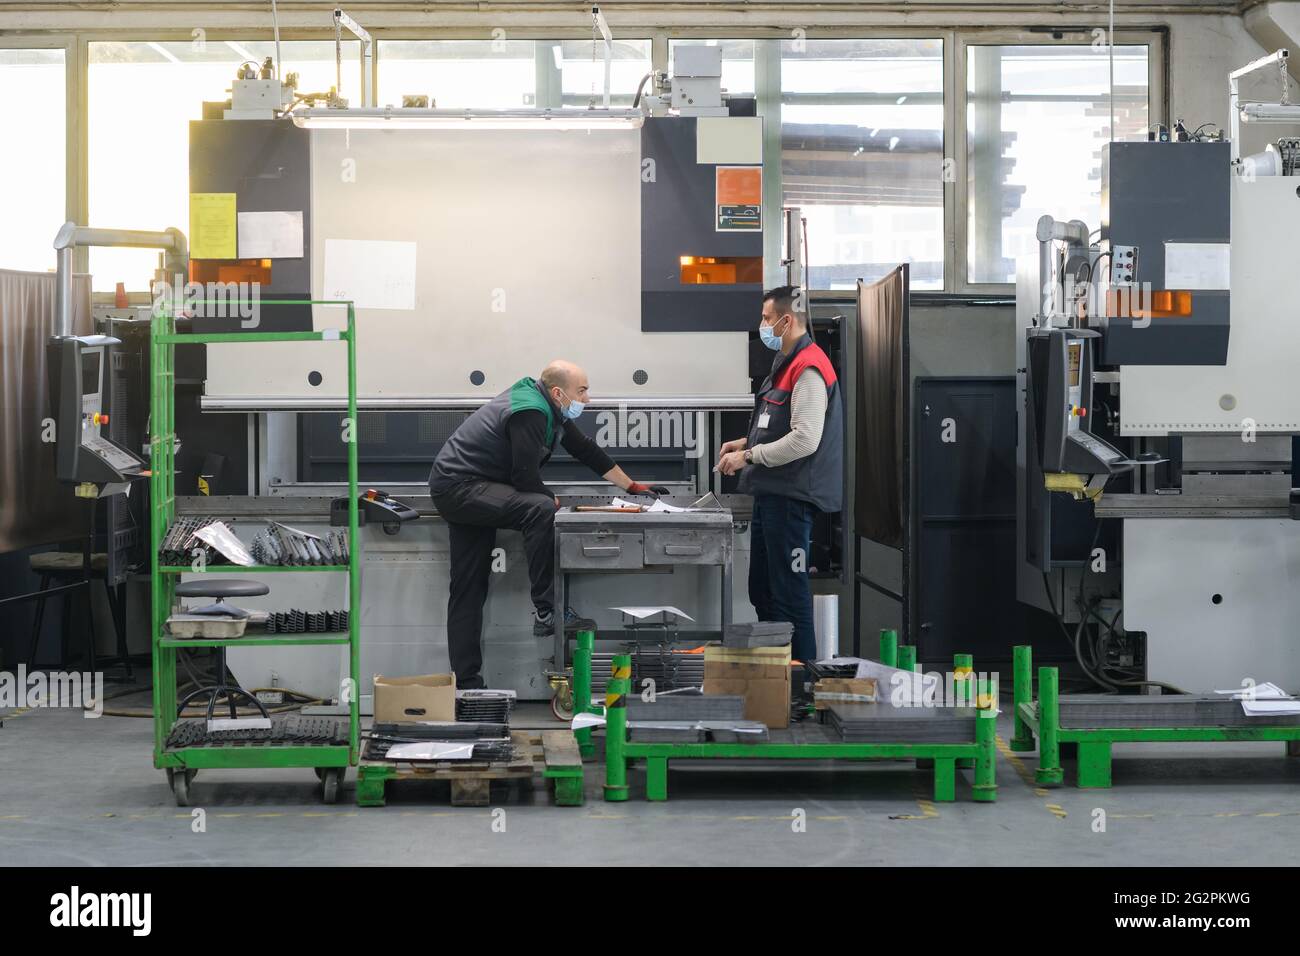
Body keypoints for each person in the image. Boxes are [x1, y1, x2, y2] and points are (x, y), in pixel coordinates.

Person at [429, 360, 668, 688]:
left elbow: (585, 450)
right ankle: (548, 611)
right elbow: (524, 477)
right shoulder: (531, 411)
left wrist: (631, 486)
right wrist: (548, 498)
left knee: (468, 588)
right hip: (460, 488)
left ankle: (467, 685)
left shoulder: (547, 406)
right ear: (559, 393)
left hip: (470, 487)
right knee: (540, 508)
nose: (588, 399)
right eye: (582, 391)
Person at [716, 286, 844, 664]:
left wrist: (750, 456)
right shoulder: (786, 363)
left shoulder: (809, 368)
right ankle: (775, 675)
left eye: (767, 318)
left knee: (789, 595)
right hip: (772, 495)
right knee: (763, 591)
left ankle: (799, 684)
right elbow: (780, 423)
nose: (763, 326)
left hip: (792, 499)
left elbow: (805, 439)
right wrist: (744, 443)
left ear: (787, 320)